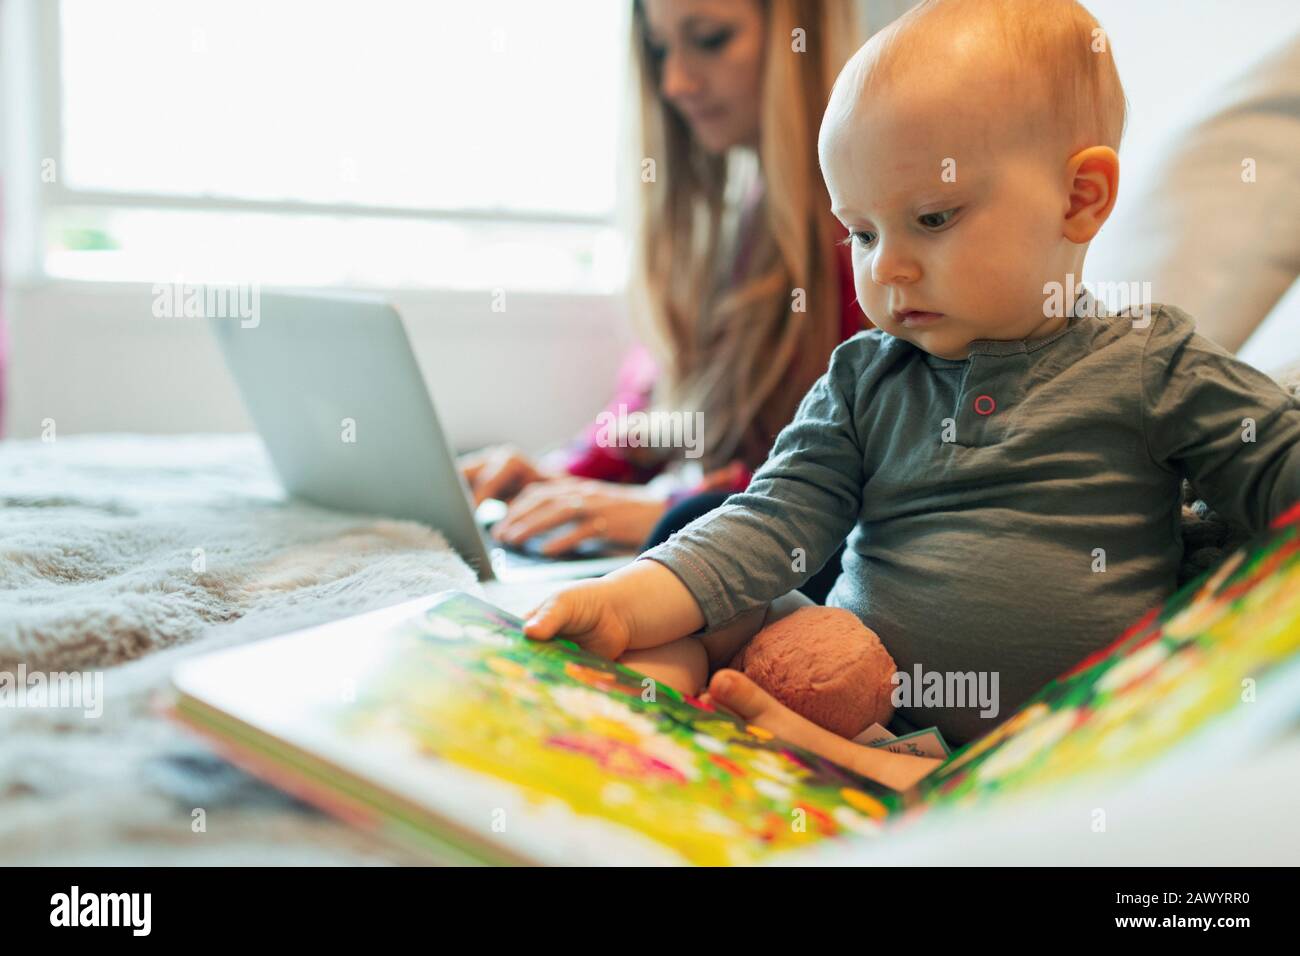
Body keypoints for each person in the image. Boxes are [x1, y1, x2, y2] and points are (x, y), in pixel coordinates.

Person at [518, 0, 1300, 781]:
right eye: (861, 232)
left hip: (1062, 746)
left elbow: (1277, 469)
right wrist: (620, 599)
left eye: (931, 217)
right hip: (866, 695)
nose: (885, 269)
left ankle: (855, 761)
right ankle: (616, 734)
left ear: (1080, 198)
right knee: (715, 609)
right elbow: (766, 522)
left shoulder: (1151, 363)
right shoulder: (864, 378)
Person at [460, 0, 866, 603]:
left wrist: (662, 509)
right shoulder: (738, 222)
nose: (675, 82)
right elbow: (658, 409)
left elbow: (865, 480)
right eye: (658, 49)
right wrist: (560, 474)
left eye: (709, 38)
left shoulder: (867, 233)